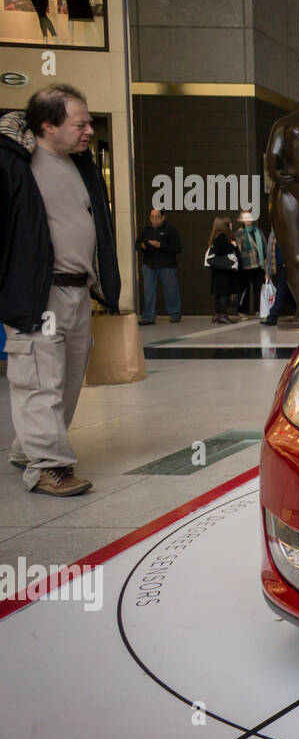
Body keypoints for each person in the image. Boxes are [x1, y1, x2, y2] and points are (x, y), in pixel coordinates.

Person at [0, 85, 121, 497]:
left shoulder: (80, 164)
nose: (89, 130)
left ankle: (27, 448)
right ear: (48, 125)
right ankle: (49, 466)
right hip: (38, 293)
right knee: (39, 380)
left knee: (68, 381)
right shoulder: (13, 163)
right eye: (80, 123)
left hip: (77, 291)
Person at [135, 207, 182, 324]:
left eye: (157, 217)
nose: (154, 220)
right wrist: (143, 246)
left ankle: (175, 314)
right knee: (148, 291)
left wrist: (160, 245)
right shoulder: (146, 230)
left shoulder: (170, 230)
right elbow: (137, 244)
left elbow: (177, 248)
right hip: (149, 265)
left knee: (171, 290)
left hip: (167, 265)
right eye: (152, 217)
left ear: (163, 217)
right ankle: (148, 317)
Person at [205, 216, 241, 324]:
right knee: (224, 294)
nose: (231, 225)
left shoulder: (216, 236)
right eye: (229, 224)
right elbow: (220, 250)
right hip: (223, 272)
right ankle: (223, 315)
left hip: (218, 272)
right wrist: (233, 246)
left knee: (219, 294)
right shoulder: (222, 237)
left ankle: (217, 314)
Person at [260, 229, 296, 326]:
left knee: (282, 290)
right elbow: (269, 250)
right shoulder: (274, 230)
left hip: (285, 264)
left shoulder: (284, 228)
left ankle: (273, 316)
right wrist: (268, 271)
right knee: (284, 290)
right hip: (280, 265)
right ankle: (274, 315)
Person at [234, 212, 266, 316]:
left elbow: (264, 245)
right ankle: (243, 310)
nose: (248, 219)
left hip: (259, 264)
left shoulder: (258, 231)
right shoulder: (240, 233)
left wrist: (265, 260)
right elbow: (238, 249)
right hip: (245, 264)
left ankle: (258, 309)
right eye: (245, 217)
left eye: (249, 217)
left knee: (259, 288)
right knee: (245, 288)